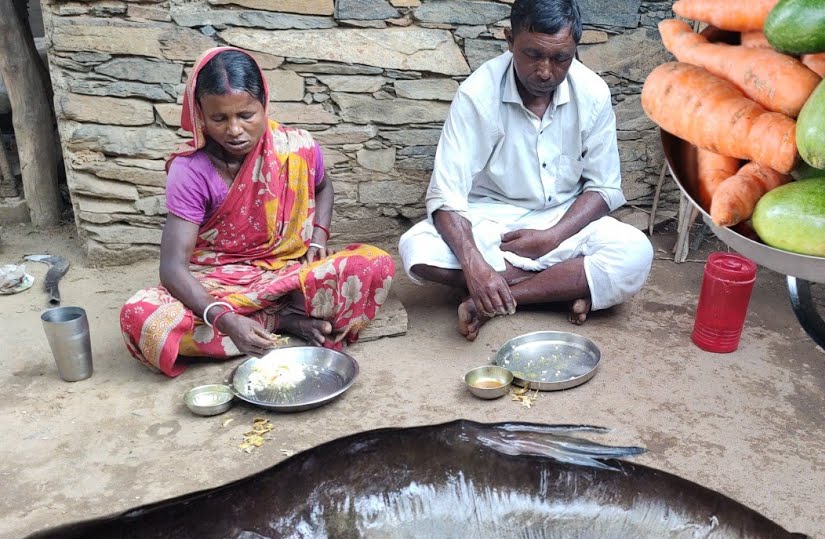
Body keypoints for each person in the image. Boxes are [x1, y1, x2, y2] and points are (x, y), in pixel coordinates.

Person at [120, 47, 396, 377]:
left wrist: (318, 238)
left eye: (246, 115)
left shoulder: (297, 147)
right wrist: (223, 316)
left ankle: (263, 321)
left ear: (264, 104)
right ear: (200, 116)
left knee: (374, 265)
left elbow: (324, 187)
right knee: (142, 317)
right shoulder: (190, 171)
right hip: (220, 284)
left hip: (287, 274)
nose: (234, 129)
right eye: (219, 118)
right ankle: (280, 322)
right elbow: (172, 268)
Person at [398, 0, 654, 341]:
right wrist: (475, 264)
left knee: (635, 252)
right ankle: (560, 288)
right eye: (533, 54)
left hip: (564, 220)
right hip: (493, 222)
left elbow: (604, 188)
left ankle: (496, 298)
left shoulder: (592, 92)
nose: (546, 71)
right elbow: (446, 195)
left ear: (575, 48)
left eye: (561, 58)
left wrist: (553, 236)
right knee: (416, 248)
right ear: (509, 40)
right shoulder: (477, 94)